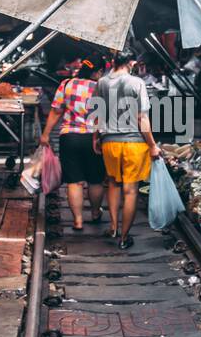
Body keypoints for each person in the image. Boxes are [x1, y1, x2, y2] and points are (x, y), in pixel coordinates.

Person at [94, 51, 161, 250]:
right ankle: (124, 237)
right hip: (134, 144)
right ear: (131, 62)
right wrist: (152, 145)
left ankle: (113, 227)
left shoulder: (102, 82)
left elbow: (98, 113)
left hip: (110, 142)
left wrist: (96, 137)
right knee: (130, 191)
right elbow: (142, 118)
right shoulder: (136, 83)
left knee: (113, 184)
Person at [38, 55, 106, 230]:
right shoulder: (101, 88)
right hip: (93, 138)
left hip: (69, 138)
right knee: (95, 180)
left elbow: (55, 112)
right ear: (97, 72)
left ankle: (77, 220)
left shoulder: (67, 84)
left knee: (74, 181)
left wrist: (45, 134)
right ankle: (96, 212)